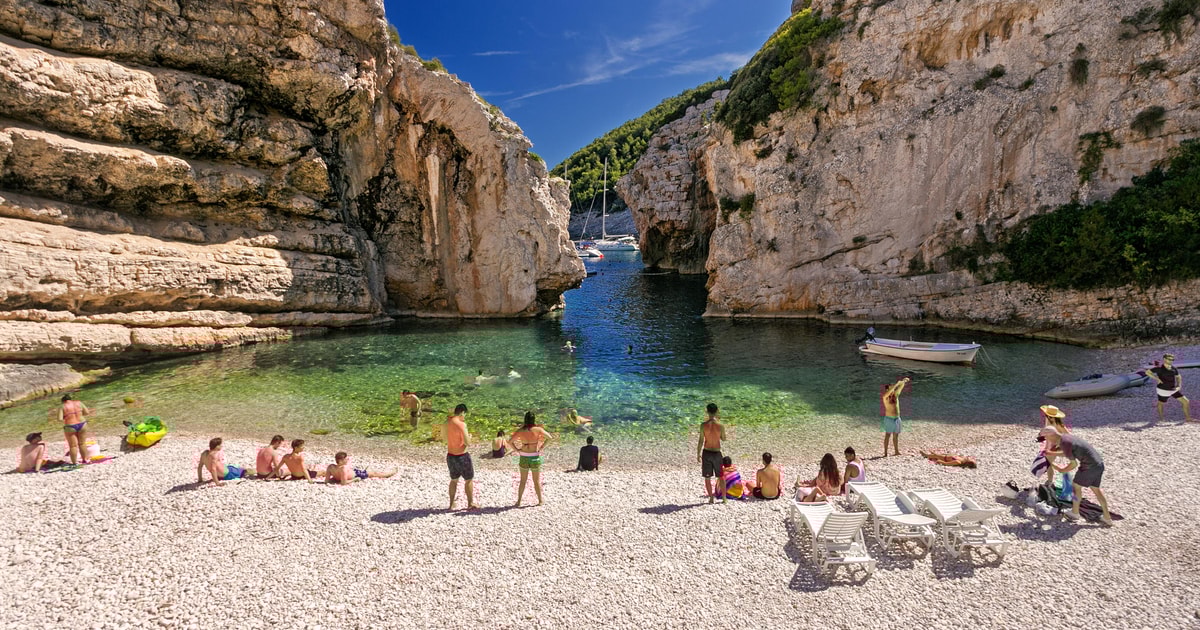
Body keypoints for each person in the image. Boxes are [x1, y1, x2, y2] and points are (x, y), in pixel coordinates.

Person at [1040, 427, 1112, 525]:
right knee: (1096, 490)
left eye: (1046, 437)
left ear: (1051, 435)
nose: (1046, 440)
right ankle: (1107, 517)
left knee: (1075, 487)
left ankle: (1075, 512)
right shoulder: (1066, 437)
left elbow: (1073, 464)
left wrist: (1061, 470)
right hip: (1099, 465)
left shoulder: (1064, 443)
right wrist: (1051, 453)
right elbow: (1067, 453)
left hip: (1088, 467)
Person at [506, 411, 555, 506]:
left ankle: (519, 501)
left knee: (522, 481)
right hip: (535, 457)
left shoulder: (521, 430)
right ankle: (540, 501)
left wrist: (517, 450)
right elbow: (550, 438)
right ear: (534, 420)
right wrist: (542, 447)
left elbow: (510, 442)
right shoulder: (538, 429)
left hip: (524, 457)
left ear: (525, 419)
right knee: (536, 481)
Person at [446, 404, 477, 510]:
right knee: (468, 480)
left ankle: (451, 504)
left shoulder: (448, 422)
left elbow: (444, 437)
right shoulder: (461, 424)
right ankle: (470, 503)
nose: (465, 417)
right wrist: (470, 437)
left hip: (450, 456)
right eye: (465, 414)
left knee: (453, 480)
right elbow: (468, 443)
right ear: (462, 412)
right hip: (462, 456)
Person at [696, 403, 727, 504]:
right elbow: (724, 439)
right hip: (716, 453)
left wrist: (698, 453)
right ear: (717, 411)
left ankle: (711, 498)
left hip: (706, 452)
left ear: (707, 411)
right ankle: (724, 498)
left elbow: (701, 440)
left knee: (707, 477)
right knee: (721, 477)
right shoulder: (720, 426)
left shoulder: (703, 425)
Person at [1149, 353, 1194, 422]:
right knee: (1161, 403)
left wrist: (1179, 385)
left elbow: (1178, 376)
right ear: (1164, 359)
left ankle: (1188, 418)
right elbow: (1147, 372)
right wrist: (1157, 379)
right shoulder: (1159, 368)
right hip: (1163, 389)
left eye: (1172, 359)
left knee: (1186, 401)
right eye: (1169, 359)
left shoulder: (1173, 368)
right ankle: (1161, 419)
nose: (1171, 361)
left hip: (1173, 389)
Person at [1033, 405, 1070, 484]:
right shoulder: (1048, 419)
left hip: (1055, 447)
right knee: (1048, 463)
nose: (1046, 416)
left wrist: (1060, 444)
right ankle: (1051, 479)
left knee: (1048, 463)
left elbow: (1068, 435)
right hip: (1048, 445)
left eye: (1048, 415)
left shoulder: (1059, 424)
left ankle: (1050, 481)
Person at [57, 393, 93, 465]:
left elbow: (59, 419)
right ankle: (85, 460)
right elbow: (87, 412)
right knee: (82, 443)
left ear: (63, 401)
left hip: (70, 426)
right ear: (70, 399)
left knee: (73, 446)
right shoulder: (79, 403)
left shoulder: (62, 406)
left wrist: (66, 416)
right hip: (82, 424)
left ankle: (74, 463)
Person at [880, 377, 910, 457]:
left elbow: (900, 387)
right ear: (887, 390)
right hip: (889, 419)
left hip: (897, 418)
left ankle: (896, 451)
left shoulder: (895, 395)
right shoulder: (885, 397)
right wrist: (896, 384)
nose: (892, 390)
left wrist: (904, 381)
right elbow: (891, 391)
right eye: (890, 389)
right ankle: (885, 453)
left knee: (896, 435)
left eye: (893, 389)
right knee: (888, 435)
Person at [324, 452, 396, 485]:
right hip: (357, 474)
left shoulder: (330, 467)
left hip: (353, 472)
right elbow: (343, 483)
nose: (347, 459)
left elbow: (326, 481)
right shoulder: (343, 468)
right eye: (346, 459)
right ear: (340, 461)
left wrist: (334, 480)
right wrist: (355, 479)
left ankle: (367, 469)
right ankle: (390, 473)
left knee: (365, 471)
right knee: (374, 473)